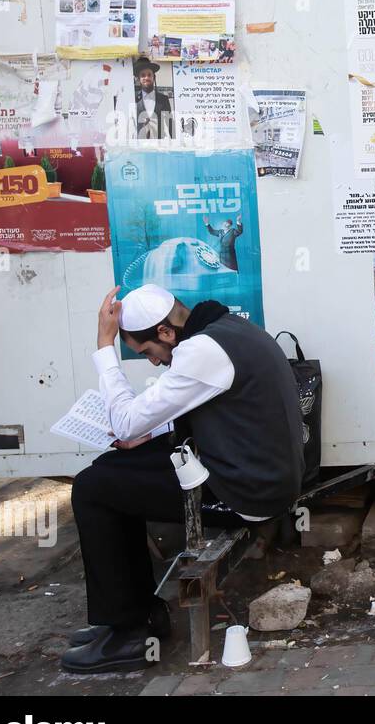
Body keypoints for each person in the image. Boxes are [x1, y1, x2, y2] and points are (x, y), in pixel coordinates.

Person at [62, 284, 304, 673]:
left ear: (166, 333)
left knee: (93, 490)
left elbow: (123, 421)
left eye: (148, 352)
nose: (155, 363)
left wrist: (105, 346)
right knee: (106, 471)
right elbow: (199, 407)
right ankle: (142, 616)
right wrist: (148, 434)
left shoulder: (201, 352)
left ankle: (128, 635)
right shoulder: (224, 328)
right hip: (244, 467)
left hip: (246, 491)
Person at [134, 58, 174, 139]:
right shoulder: (133, 99)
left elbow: (170, 124)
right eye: (143, 75)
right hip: (139, 147)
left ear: (154, 77)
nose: (146, 78)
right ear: (139, 79)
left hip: (158, 147)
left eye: (149, 75)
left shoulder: (163, 100)